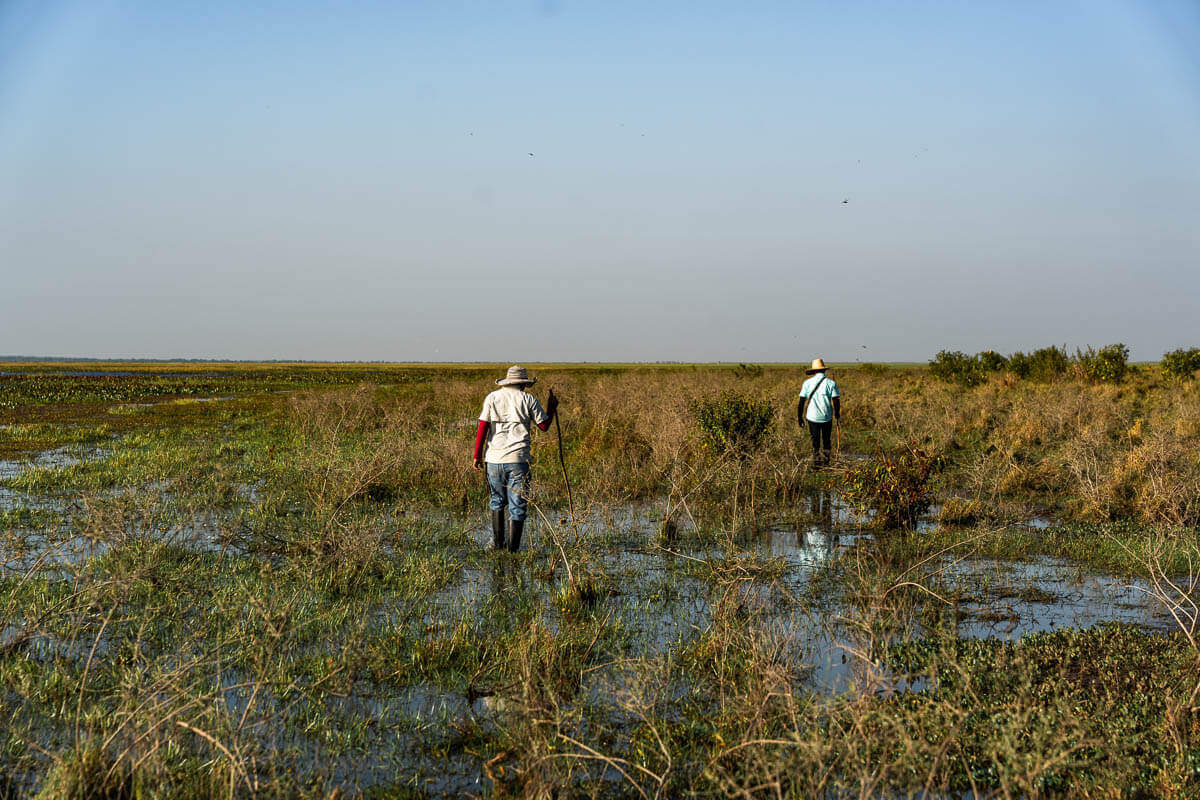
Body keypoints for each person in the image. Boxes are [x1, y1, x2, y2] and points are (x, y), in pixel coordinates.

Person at [472, 365, 558, 552]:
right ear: (523, 384)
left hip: (493, 460)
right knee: (517, 506)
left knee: (496, 501)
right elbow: (543, 426)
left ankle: (498, 545)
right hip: (518, 460)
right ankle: (513, 551)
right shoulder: (528, 399)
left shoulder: (492, 397)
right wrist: (551, 408)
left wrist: (477, 455)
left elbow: (482, 428)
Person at [797, 358, 840, 466]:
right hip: (827, 417)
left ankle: (816, 464)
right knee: (826, 440)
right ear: (824, 370)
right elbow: (836, 400)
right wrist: (837, 414)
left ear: (814, 371)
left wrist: (799, 417)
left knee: (815, 441)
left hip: (812, 417)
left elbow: (801, 402)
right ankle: (826, 463)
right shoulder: (831, 383)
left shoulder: (807, 383)